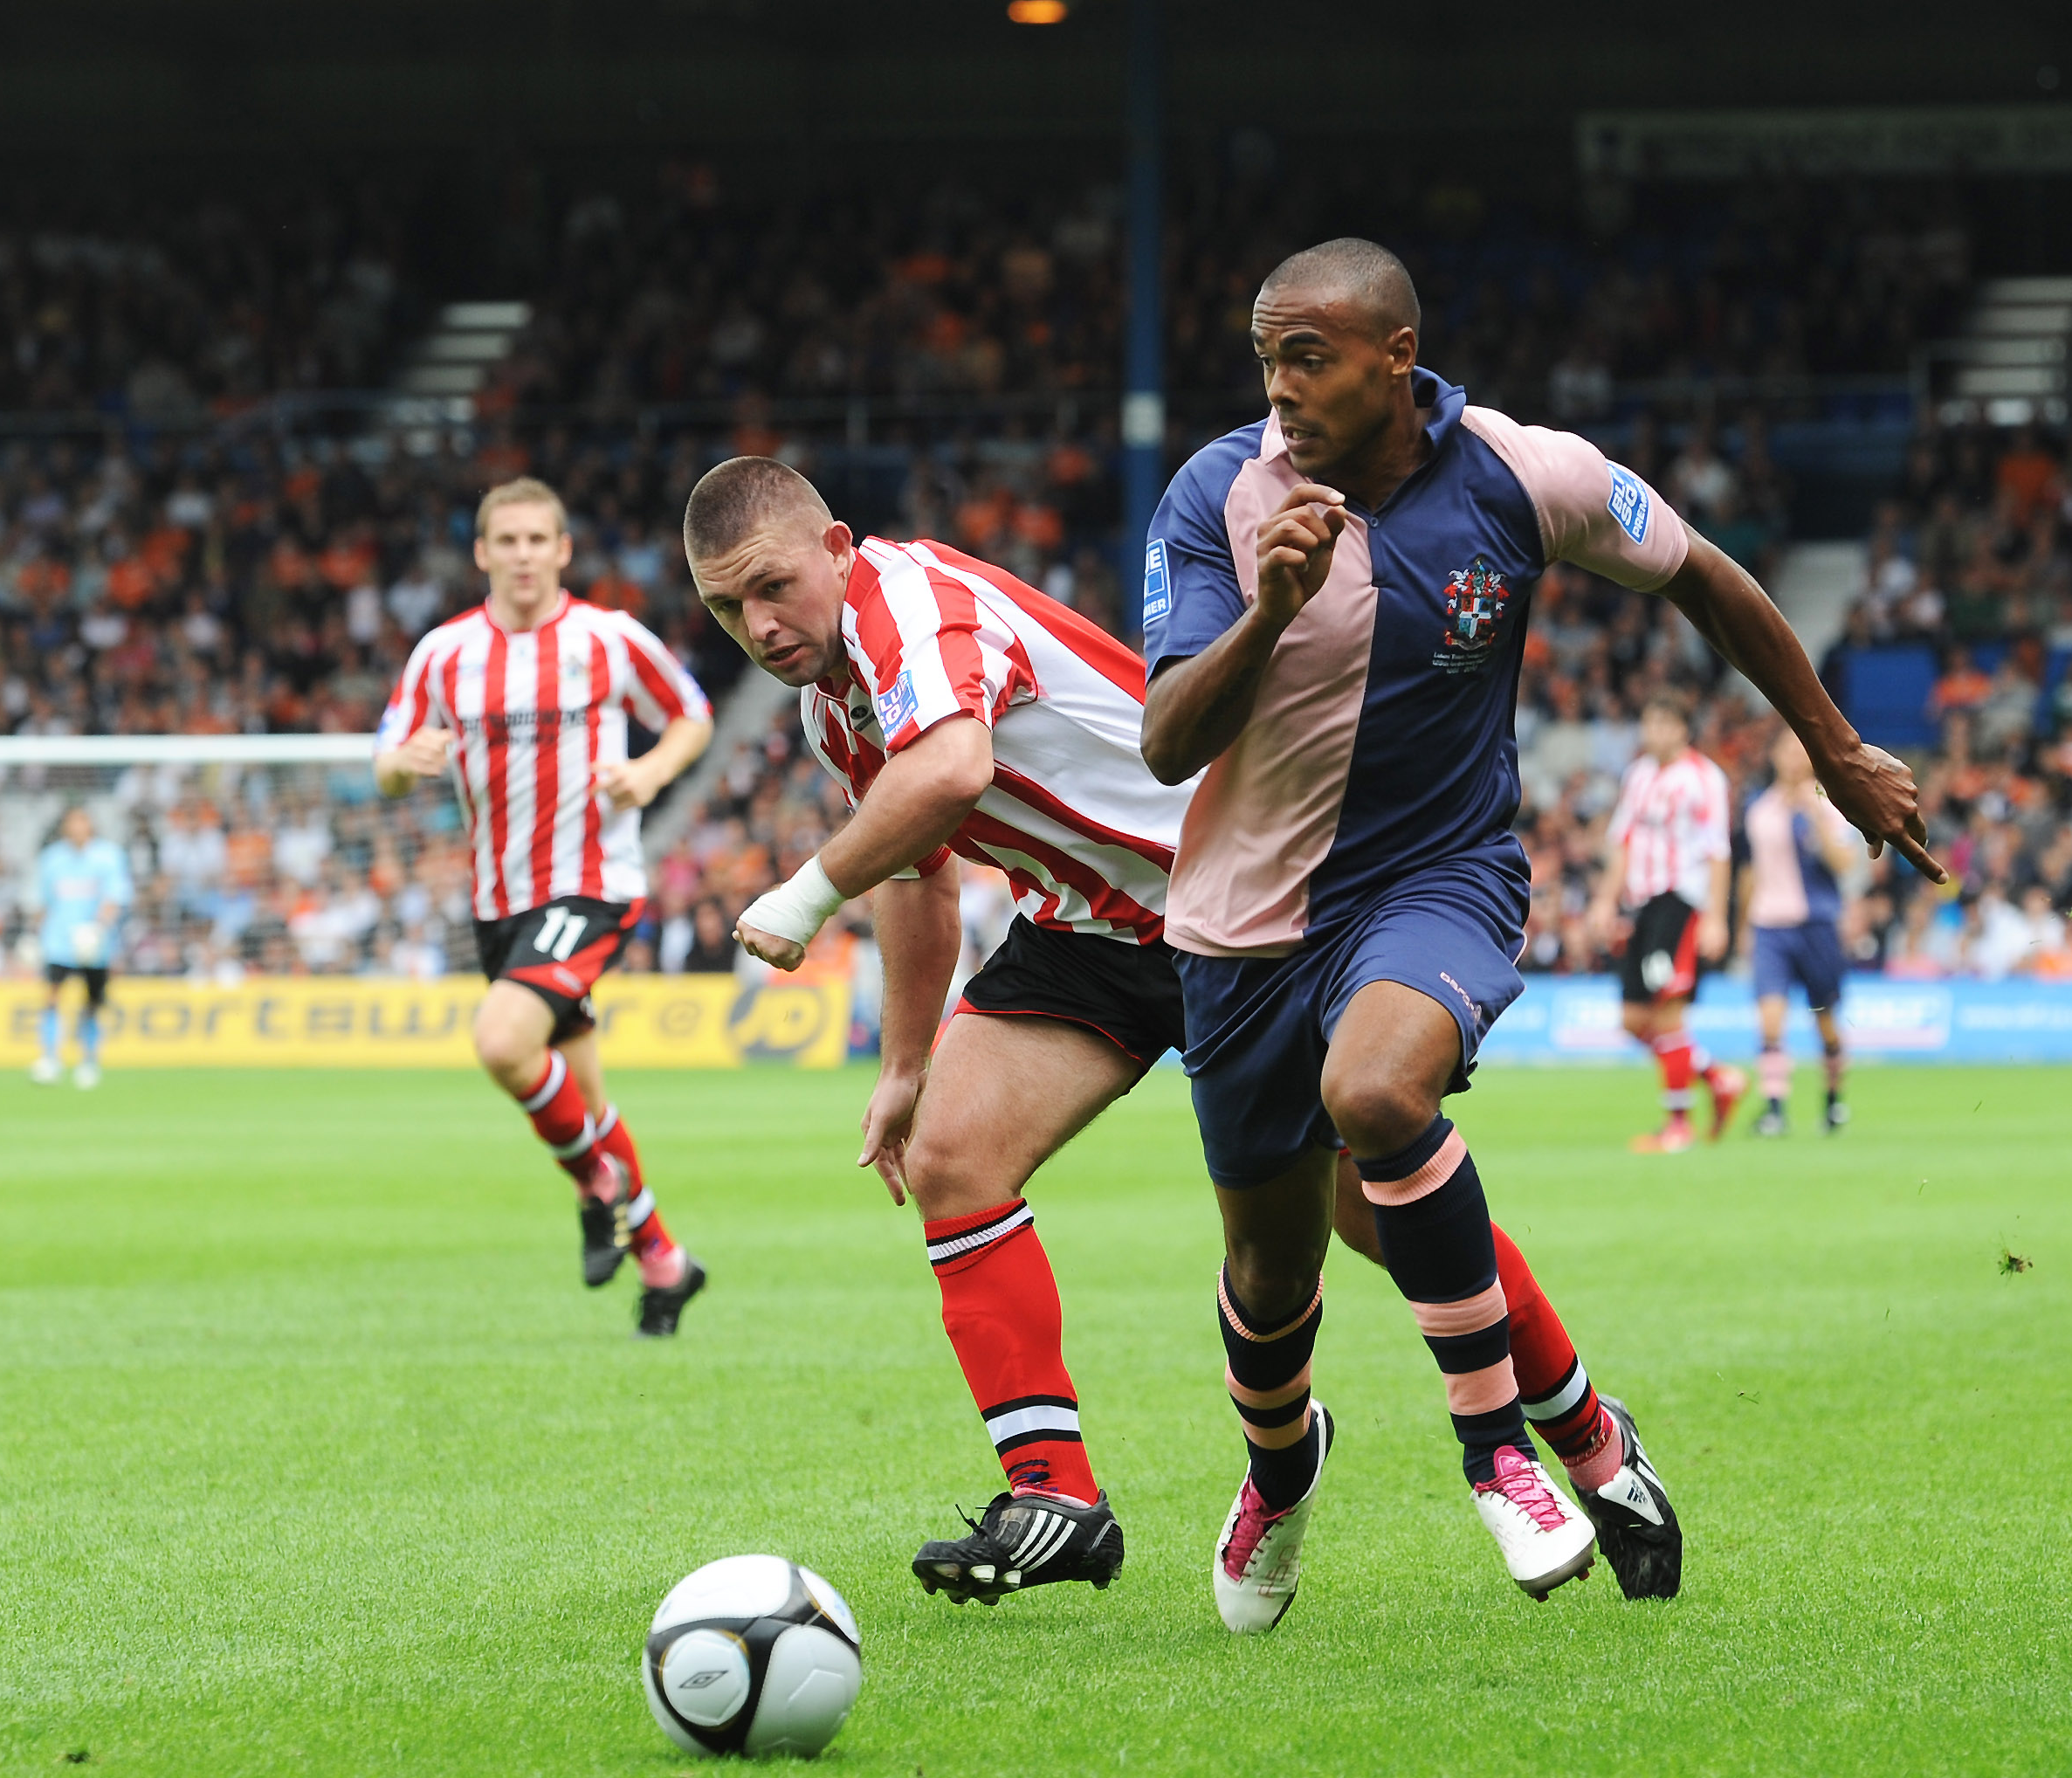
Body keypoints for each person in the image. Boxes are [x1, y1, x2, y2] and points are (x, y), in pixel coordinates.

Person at [1140, 238, 1942, 1631]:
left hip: (1436, 875)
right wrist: (1267, 612)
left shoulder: (1525, 474)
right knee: (1272, 1272)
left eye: (1308, 358)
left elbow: (1704, 574)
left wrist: (1834, 749)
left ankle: (1499, 1454)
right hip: (1244, 926)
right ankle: (1284, 1470)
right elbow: (1166, 741)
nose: (1279, 389)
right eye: (1266, 360)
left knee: (1377, 1093)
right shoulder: (1218, 495)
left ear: (1397, 357)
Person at [695, 455, 1640, 1624]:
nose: (758, 624)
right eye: (726, 608)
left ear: (838, 549)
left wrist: (800, 896)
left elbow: (950, 769)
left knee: (1371, 1215)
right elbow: (916, 868)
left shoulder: (913, 607)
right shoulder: (830, 703)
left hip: (1234, 909)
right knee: (950, 1157)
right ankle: (1055, 1497)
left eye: (772, 586)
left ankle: (1587, 1436)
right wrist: (903, 1066)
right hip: (1091, 933)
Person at [374, 477, 713, 1334]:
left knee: (501, 1040)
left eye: (537, 540)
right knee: (584, 1104)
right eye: (507, 540)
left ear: (562, 550)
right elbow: (387, 758)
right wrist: (403, 763)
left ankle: (598, 1184)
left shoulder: (609, 638)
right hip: (499, 905)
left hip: (591, 886)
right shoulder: (443, 653)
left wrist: (650, 772)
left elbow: (691, 716)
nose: (523, 555)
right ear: (482, 553)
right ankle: (666, 1264)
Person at [1587, 695, 1745, 1152]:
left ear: (1683, 729)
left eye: (1663, 723)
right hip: (1641, 903)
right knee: (1633, 1019)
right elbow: (1622, 840)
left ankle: (1679, 1125)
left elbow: (1717, 851)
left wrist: (1715, 917)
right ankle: (1716, 1077)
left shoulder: (1704, 777)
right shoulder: (1638, 775)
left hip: (1681, 901)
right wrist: (1605, 900)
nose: (1653, 731)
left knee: (1668, 1011)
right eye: (1649, 722)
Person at [1741, 726, 1862, 1136]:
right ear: (1775, 756)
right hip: (1770, 926)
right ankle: (1775, 1108)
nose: (1793, 759)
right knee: (1770, 1020)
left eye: (1800, 751)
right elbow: (1752, 872)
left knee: (1826, 1021)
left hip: (1817, 925)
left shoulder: (1827, 806)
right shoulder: (1760, 809)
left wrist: (1814, 816)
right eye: (1787, 750)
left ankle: (1833, 1100)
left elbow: (1843, 863)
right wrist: (1744, 924)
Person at [31, 803, 132, 1088]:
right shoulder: (52, 859)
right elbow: (43, 901)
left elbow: (115, 897)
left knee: (92, 1002)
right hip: (58, 942)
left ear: (90, 825)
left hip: (95, 944)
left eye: (81, 821)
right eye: (71, 822)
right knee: (51, 996)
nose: (76, 827)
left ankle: (88, 1061)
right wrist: (33, 933)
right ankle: (50, 1058)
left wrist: (97, 929)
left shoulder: (109, 856)